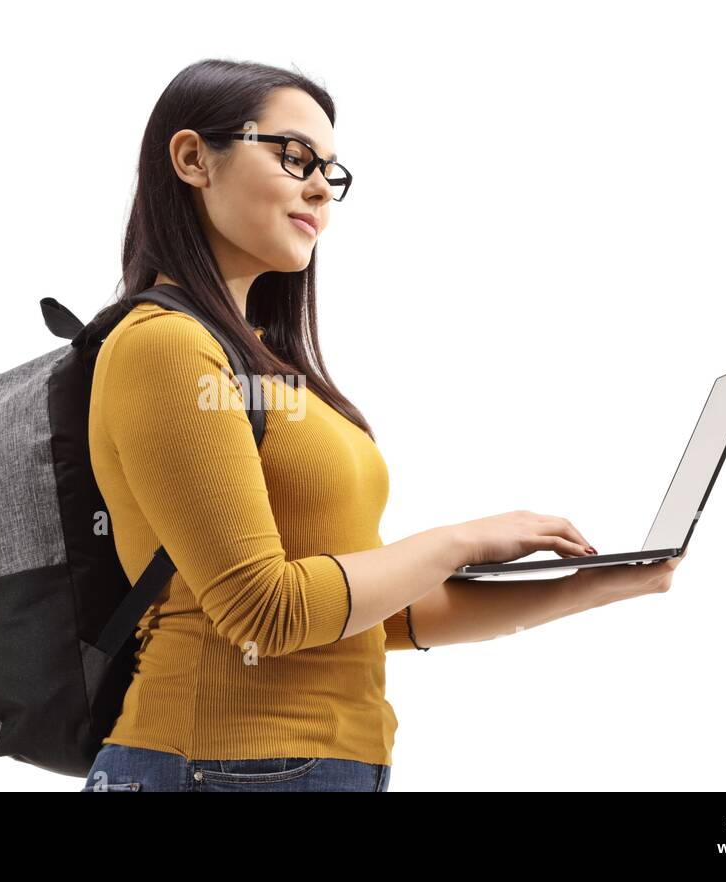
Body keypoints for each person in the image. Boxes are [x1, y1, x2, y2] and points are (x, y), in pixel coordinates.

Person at [79, 58, 686, 792]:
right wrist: (460, 540)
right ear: (193, 158)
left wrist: (605, 582)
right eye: (294, 156)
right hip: (215, 765)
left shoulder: (262, 363)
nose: (317, 191)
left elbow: (374, 616)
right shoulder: (164, 344)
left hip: (300, 770)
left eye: (329, 174)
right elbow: (265, 613)